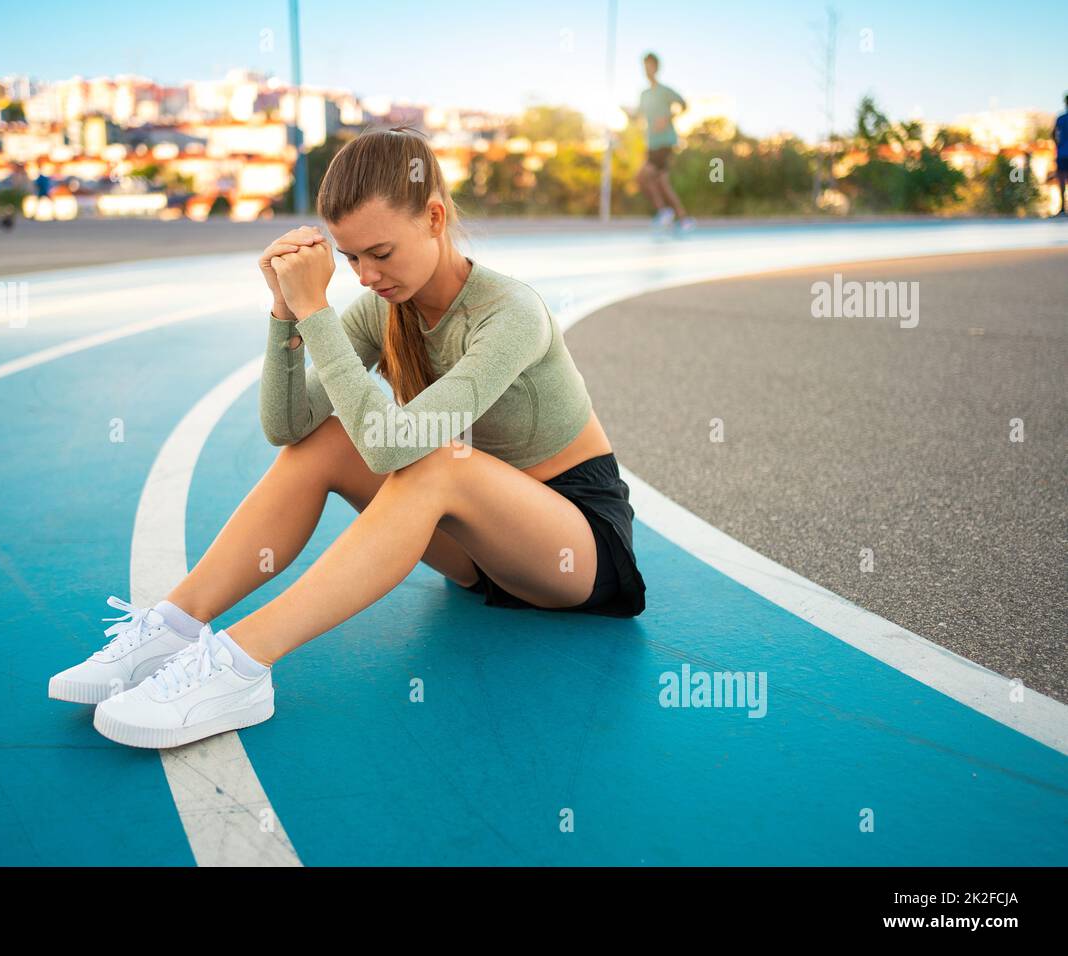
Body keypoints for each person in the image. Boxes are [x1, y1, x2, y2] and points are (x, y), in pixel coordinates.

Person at [48, 126, 648, 750]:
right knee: (330, 441)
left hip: (573, 550)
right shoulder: (385, 309)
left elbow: (392, 448)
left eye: (381, 253)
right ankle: (173, 628)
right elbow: (288, 428)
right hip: (479, 556)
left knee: (441, 461)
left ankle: (240, 666)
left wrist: (316, 314)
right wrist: (285, 312)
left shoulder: (510, 314)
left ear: (434, 216)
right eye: (351, 258)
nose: (365, 276)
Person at [627, 52, 695, 231]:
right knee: (661, 182)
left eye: (650, 65)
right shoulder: (644, 94)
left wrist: (669, 117)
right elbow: (637, 116)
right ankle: (682, 218)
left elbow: (684, 105)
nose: (647, 69)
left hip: (665, 141)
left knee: (643, 177)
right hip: (652, 143)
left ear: (656, 68)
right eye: (644, 66)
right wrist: (627, 113)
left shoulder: (665, 91)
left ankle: (665, 212)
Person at [1054, 93, 1068, 217]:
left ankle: (1063, 208)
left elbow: (1054, 135)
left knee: (1062, 182)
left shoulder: (1060, 118)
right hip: (1063, 153)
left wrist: (1059, 145)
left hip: (1062, 153)